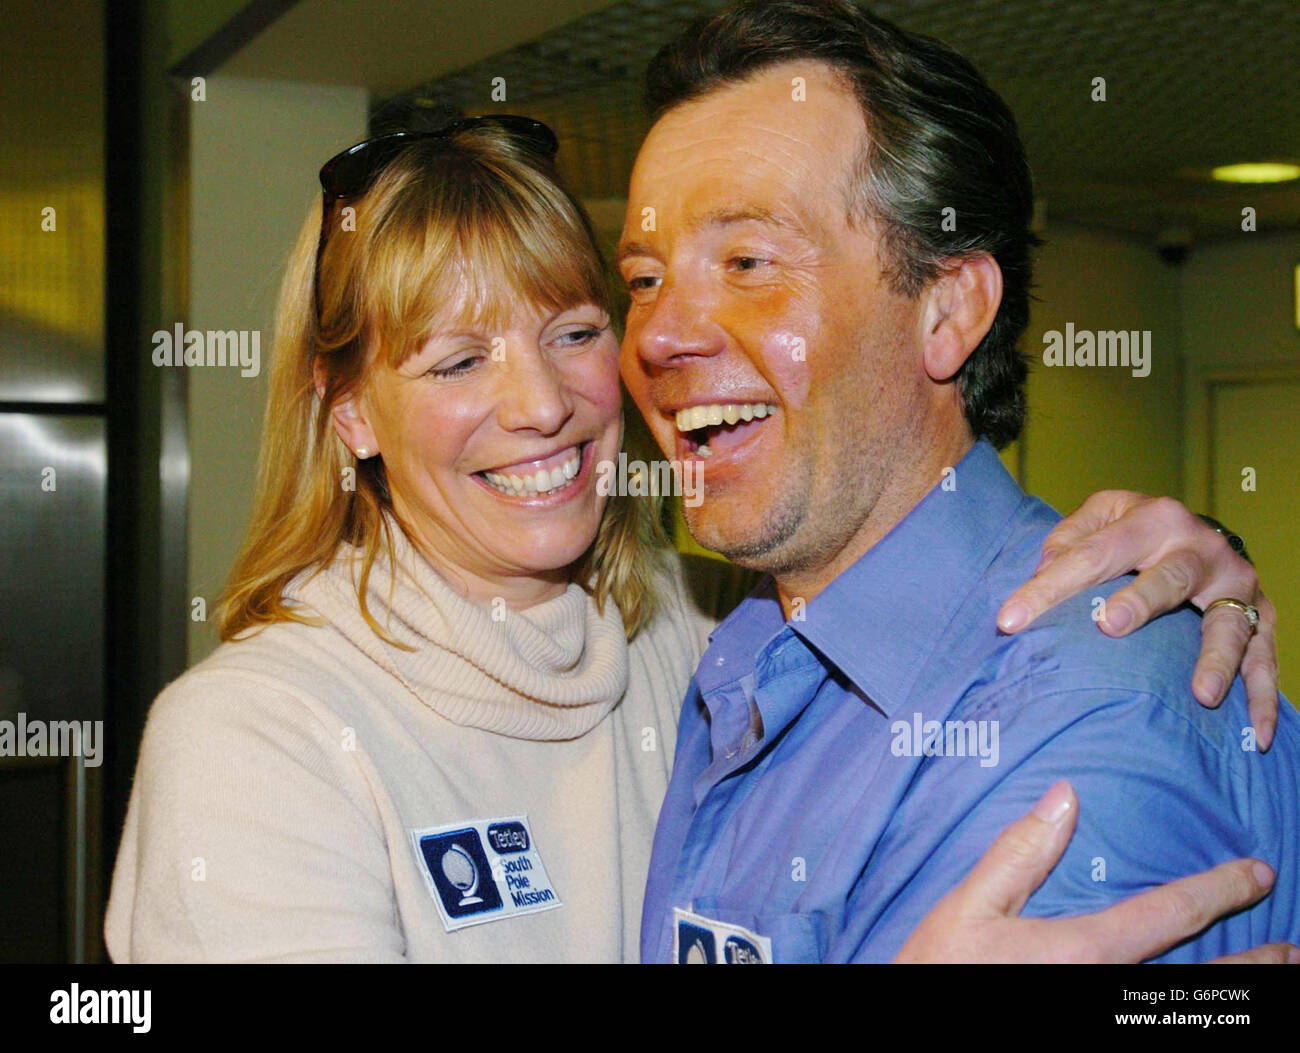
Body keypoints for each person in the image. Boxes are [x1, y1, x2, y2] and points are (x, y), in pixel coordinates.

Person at [105, 109, 1279, 963]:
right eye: (459, 361)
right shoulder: (260, 738)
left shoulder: (705, 629)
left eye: (571, 332)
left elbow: (905, 559)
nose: (540, 405)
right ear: (349, 410)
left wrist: (1173, 555)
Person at [622, 0, 1299, 963]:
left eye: (746, 260)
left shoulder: (1090, 719)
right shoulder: (740, 650)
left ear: (947, 309)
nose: (656, 334)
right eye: (645, 278)